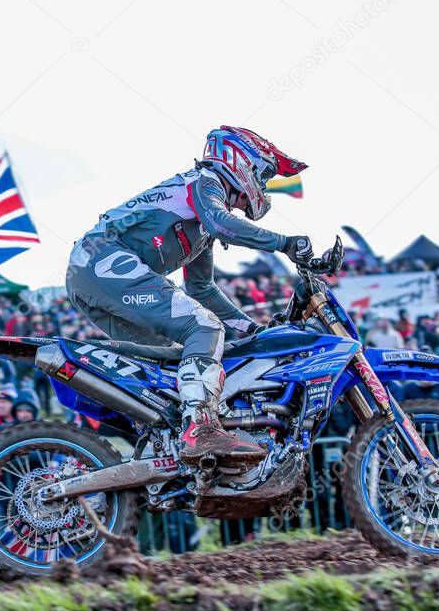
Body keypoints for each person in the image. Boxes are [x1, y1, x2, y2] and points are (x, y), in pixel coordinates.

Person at [65, 126, 310, 466]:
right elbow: (224, 224)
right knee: (204, 328)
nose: (264, 186)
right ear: (242, 162)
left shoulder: (204, 222)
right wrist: (285, 243)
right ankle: (201, 426)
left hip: (92, 274)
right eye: (264, 175)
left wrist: (252, 329)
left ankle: (158, 455)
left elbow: (202, 289)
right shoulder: (205, 182)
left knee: (168, 365)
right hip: (103, 259)